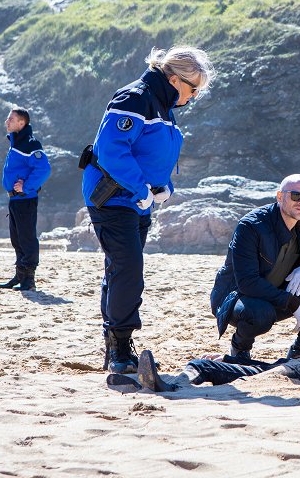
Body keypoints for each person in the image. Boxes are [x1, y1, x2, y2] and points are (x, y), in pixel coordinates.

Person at [82, 46, 215, 374]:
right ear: (173, 79)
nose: (194, 96)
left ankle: (114, 343)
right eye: (193, 88)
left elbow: (153, 153)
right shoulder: (135, 98)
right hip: (114, 198)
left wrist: (162, 186)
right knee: (128, 269)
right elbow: (113, 150)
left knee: (119, 269)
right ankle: (120, 349)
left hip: (136, 201)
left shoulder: (164, 106)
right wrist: (140, 188)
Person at [210, 174, 300, 360]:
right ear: (279, 196)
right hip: (238, 299)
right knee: (261, 314)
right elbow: (247, 283)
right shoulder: (251, 226)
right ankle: (240, 349)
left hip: (278, 294)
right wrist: (293, 304)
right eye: (295, 195)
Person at [114, 341, 300, 392]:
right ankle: (159, 384)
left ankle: (168, 388)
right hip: (278, 365)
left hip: (298, 370)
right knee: (201, 363)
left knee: (259, 378)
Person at [0, 107, 51, 291]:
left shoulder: (30, 143)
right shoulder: (16, 143)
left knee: (27, 237)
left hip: (25, 198)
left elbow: (44, 169)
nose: (7, 121)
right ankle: (20, 275)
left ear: (22, 123)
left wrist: (27, 186)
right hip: (15, 200)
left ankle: (29, 279)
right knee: (17, 238)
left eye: (11, 119)